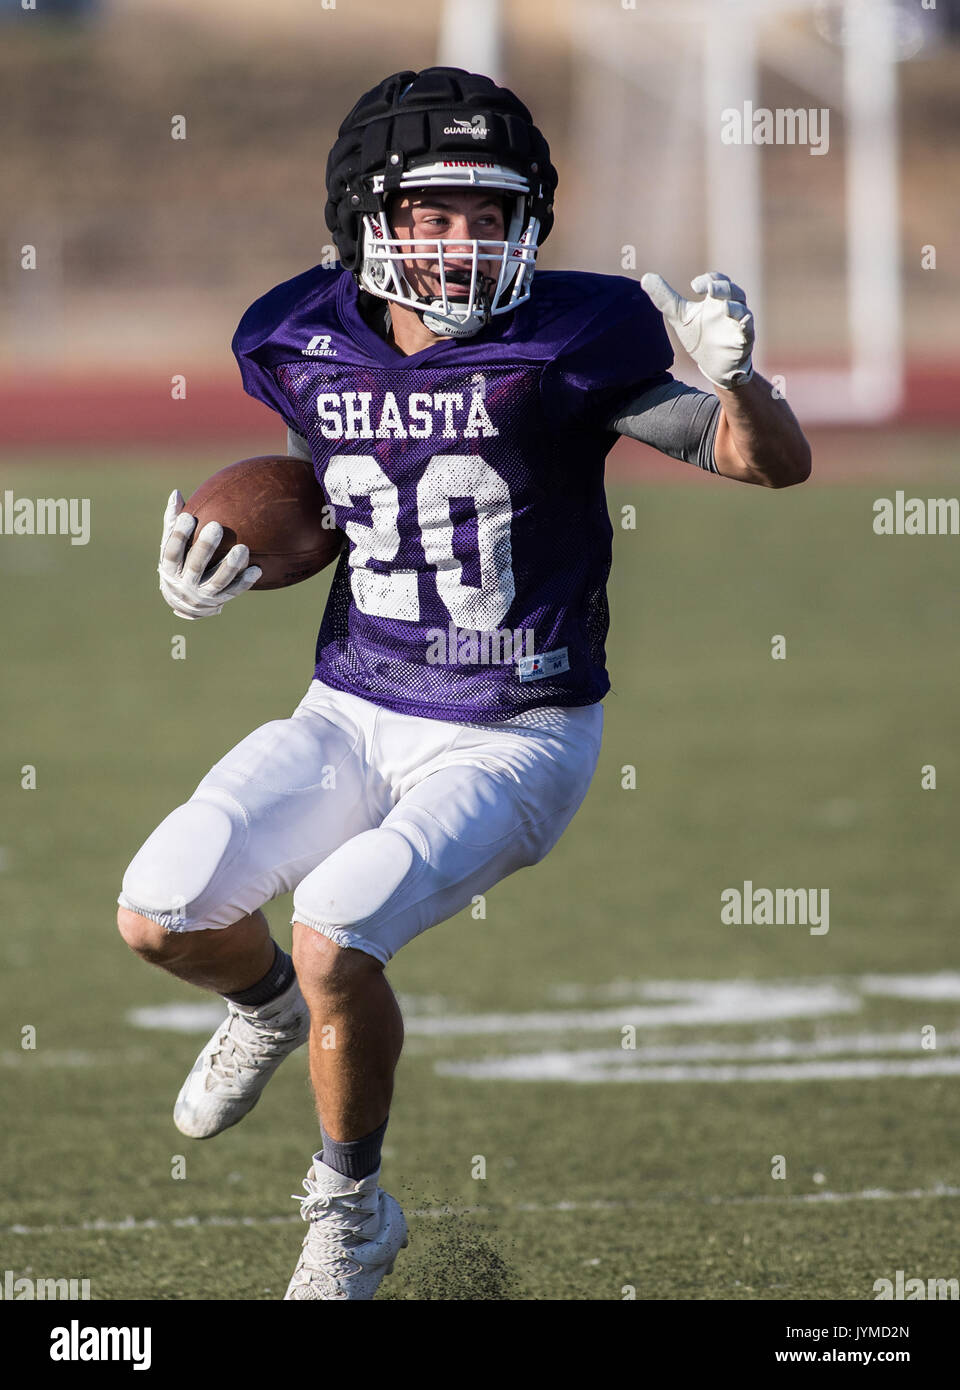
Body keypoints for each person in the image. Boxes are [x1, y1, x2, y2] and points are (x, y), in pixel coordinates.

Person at [116, 65, 811, 1302]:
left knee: (338, 929)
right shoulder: (299, 332)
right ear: (367, 218)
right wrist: (220, 574)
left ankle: (348, 1207)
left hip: (514, 732)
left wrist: (740, 383)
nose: (463, 239)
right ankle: (265, 1009)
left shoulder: (571, 336)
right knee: (160, 914)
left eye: (489, 213)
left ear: (528, 219)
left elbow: (768, 467)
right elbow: (328, 504)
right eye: (434, 211)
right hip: (352, 705)